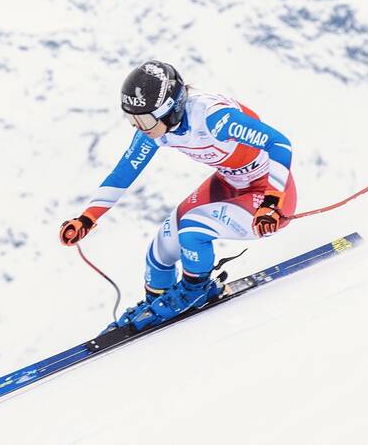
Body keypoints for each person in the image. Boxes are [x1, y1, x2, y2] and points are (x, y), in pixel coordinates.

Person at [59, 60, 298, 332]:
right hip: (230, 182)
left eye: (144, 119)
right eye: (131, 119)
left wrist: (271, 201)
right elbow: (125, 171)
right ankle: (157, 306)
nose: (138, 127)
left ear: (170, 109)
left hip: (269, 198)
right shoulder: (156, 128)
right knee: (161, 250)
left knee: (192, 230)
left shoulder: (213, 119)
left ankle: (193, 291)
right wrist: (87, 218)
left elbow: (279, 143)